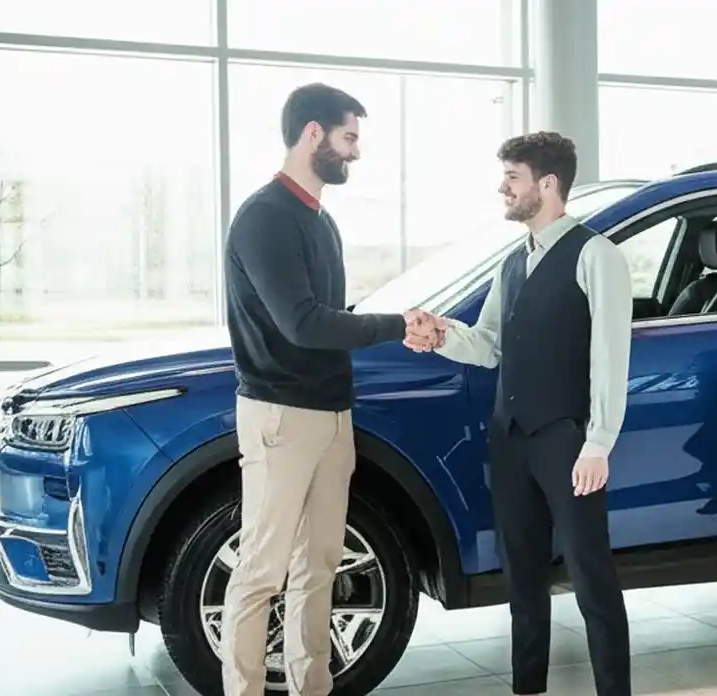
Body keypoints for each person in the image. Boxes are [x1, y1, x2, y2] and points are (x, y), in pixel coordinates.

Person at [219, 82, 439, 696]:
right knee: (262, 570)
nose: (356, 153)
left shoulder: (321, 222)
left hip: (332, 416)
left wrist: (403, 326)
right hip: (282, 418)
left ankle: (311, 687)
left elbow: (328, 316)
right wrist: (399, 326)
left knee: (318, 565)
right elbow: (304, 322)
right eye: (349, 138)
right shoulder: (265, 218)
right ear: (312, 134)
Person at [405, 131, 634, 696]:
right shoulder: (512, 263)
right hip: (511, 441)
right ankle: (527, 688)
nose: (501, 188)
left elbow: (610, 355)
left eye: (512, 177)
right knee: (523, 580)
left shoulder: (597, 256)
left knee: (591, 579)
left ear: (548, 184)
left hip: (568, 439)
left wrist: (599, 443)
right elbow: (487, 344)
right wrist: (441, 336)